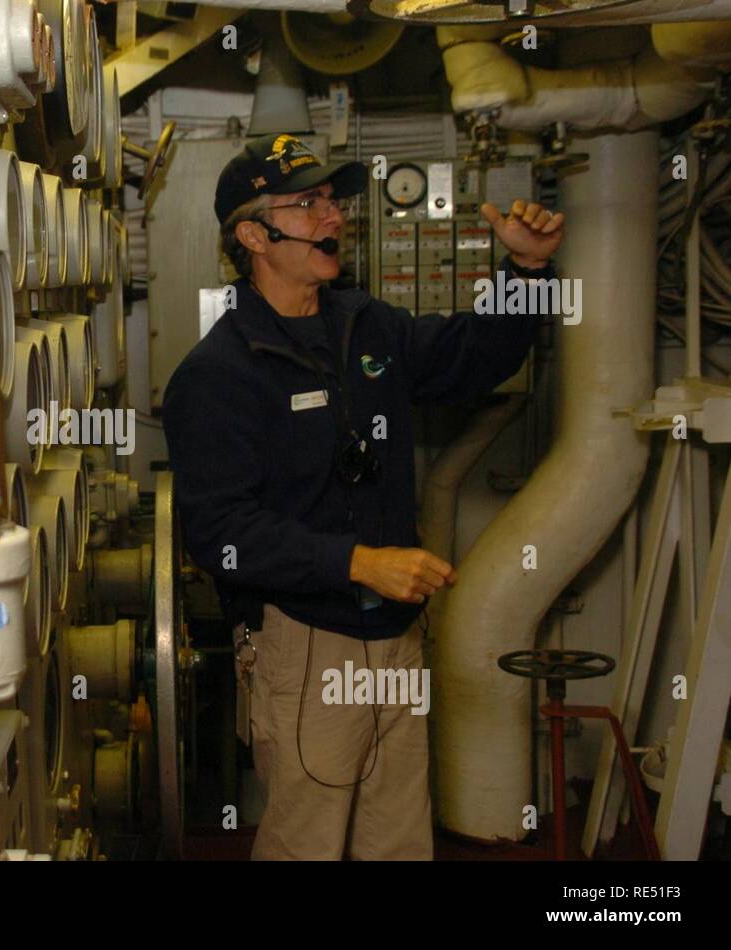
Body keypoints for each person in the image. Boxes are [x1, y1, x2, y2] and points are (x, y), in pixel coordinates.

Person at [160, 133, 566, 860]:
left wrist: (527, 270)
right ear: (254, 234)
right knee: (307, 840)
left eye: (331, 200)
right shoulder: (218, 373)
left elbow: (468, 358)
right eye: (307, 203)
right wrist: (357, 563)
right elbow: (219, 532)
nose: (333, 216)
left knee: (399, 835)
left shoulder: (364, 323)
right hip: (306, 639)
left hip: (396, 633)